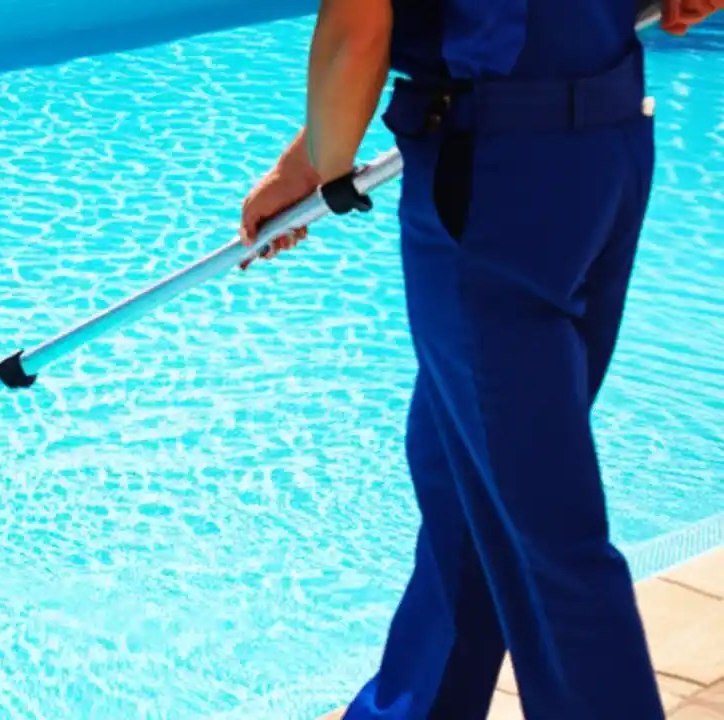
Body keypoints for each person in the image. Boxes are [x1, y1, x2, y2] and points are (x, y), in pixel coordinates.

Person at [237, 1, 720, 718]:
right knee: (463, 474)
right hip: (605, 152)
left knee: (544, 537)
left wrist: (318, 165)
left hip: (492, 184)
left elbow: (357, 30)